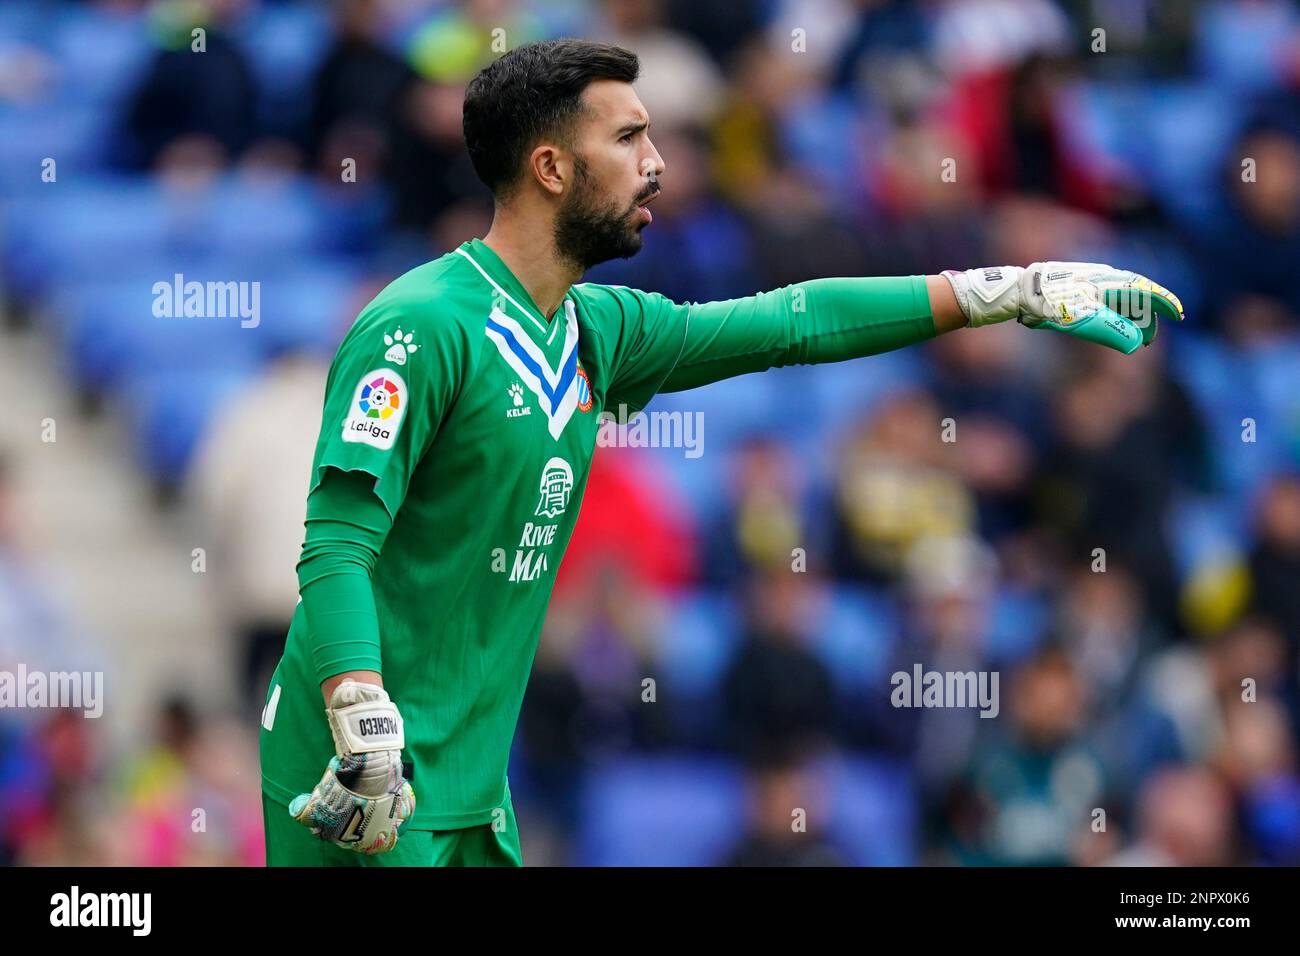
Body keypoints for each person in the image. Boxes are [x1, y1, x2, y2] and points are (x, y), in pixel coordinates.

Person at [258, 38, 1184, 866]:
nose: (657, 165)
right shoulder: (417, 326)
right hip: (358, 776)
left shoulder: (598, 331)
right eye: (628, 140)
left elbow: (793, 320)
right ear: (549, 167)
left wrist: (998, 290)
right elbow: (336, 543)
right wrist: (360, 712)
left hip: (465, 780)